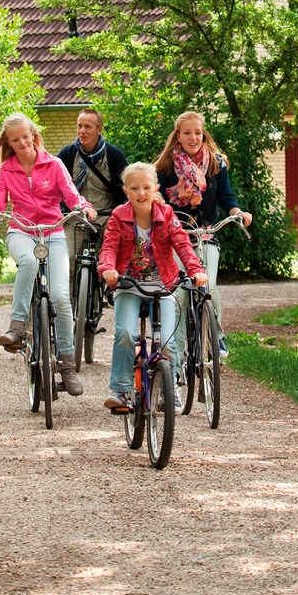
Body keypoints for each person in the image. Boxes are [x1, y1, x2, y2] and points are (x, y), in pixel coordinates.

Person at [0, 112, 96, 398]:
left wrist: (84, 208)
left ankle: (68, 365)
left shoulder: (54, 164)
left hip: (54, 232)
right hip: (21, 231)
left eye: (25, 136)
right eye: (15, 139)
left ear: (33, 135)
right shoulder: (6, 170)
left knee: (60, 296)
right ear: (9, 143)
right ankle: (17, 327)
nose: (22, 142)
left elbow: (72, 196)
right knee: (29, 262)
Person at [97, 161, 206, 413]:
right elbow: (109, 248)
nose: (141, 193)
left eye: (146, 187)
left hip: (162, 286)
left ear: (156, 188)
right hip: (128, 285)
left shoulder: (166, 214)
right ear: (126, 191)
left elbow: (182, 244)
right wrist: (108, 269)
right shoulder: (118, 216)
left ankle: (171, 389)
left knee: (168, 341)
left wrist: (196, 270)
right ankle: (122, 390)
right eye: (134, 188)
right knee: (125, 333)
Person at [154, 110, 252, 362]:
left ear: (204, 134)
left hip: (206, 232)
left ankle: (216, 335)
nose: (193, 137)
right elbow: (157, 198)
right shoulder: (165, 166)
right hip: (177, 234)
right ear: (178, 136)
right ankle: (176, 344)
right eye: (187, 133)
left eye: (197, 132)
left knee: (209, 285)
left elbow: (226, 197)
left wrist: (237, 212)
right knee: (179, 291)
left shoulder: (216, 164)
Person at [57, 107, 128, 286]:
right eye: (79, 126)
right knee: (66, 259)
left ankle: (112, 291)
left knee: (114, 257)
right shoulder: (67, 154)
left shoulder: (113, 155)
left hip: (108, 217)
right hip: (76, 216)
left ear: (99, 130)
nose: (82, 131)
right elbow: (53, 183)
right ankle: (69, 308)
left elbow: (127, 187)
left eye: (88, 126)